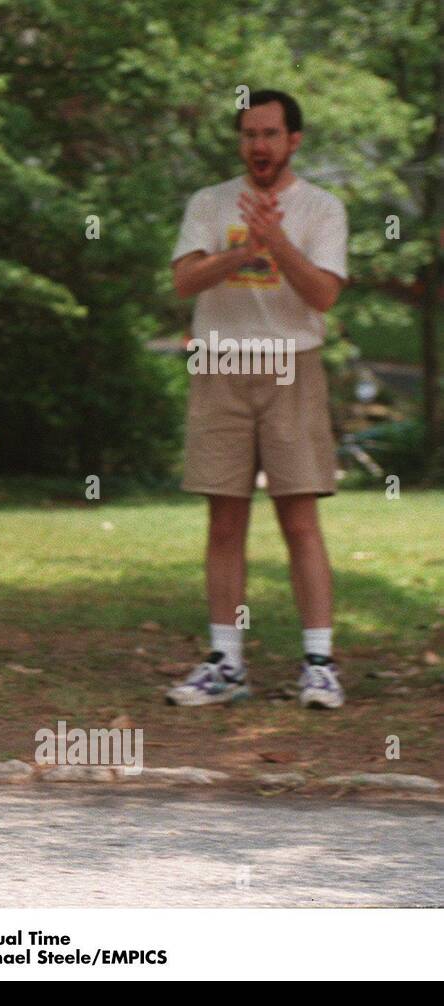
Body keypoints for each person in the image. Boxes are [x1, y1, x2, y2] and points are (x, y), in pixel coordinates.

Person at [167, 90, 348, 709]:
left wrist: (279, 243)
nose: (259, 146)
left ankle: (319, 664)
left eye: (271, 134)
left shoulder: (322, 207)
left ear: (294, 140)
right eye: (249, 134)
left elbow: (323, 295)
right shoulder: (210, 203)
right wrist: (245, 250)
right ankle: (226, 663)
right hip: (219, 363)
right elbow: (185, 279)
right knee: (224, 520)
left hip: (293, 367)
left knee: (300, 519)